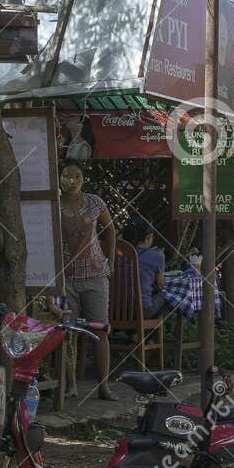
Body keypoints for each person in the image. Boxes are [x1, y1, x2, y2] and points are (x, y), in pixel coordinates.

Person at [58, 162, 117, 399]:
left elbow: (111, 229)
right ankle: (71, 385)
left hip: (95, 275)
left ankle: (103, 386)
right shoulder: (53, 204)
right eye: (66, 175)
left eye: (77, 176)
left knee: (100, 330)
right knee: (66, 332)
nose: (72, 180)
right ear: (59, 178)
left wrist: (110, 262)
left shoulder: (95, 202)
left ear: (83, 179)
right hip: (65, 277)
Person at [121, 217, 167, 318]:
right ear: (149, 237)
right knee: (166, 295)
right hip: (141, 312)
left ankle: (137, 333)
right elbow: (160, 284)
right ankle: (151, 332)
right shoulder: (157, 255)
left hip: (117, 311)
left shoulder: (119, 253)